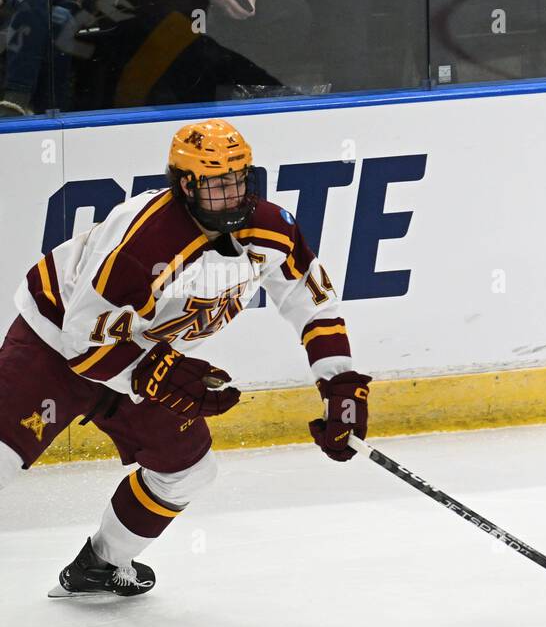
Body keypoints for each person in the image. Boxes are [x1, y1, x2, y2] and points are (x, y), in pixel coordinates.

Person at [0, 118, 370, 597]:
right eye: (216, 186)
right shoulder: (147, 242)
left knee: (188, 468)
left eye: (238, 181)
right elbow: (81, 340)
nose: (232, 196)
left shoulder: (272, 229)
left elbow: (311, 297)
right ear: (185, 187)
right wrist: (157, 372)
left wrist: (337, 381)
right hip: (52, 346)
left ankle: (99, 565)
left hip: (136, 358)